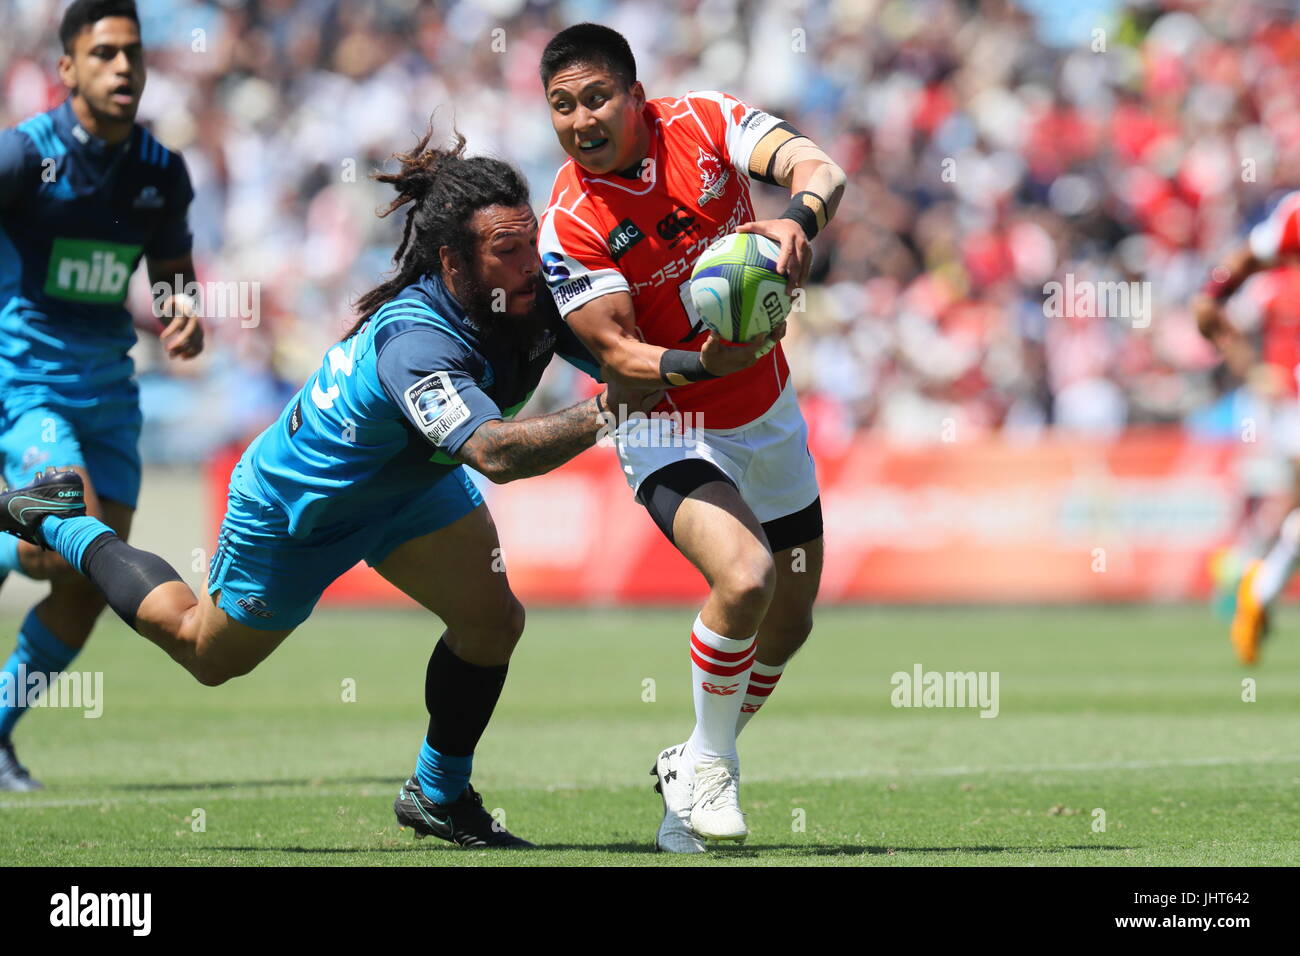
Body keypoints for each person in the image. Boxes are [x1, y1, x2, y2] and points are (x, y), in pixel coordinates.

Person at [0, 129, 656, 848]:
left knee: (493, 622)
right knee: (203, 652)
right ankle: (62, 523)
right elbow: (494, 455)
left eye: (531, 242)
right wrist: (609, 408)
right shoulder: (415, 341)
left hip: (409, 491)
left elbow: (619, 349)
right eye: (509, 251)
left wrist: (698, 347)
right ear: (452, 261)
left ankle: (438, 794)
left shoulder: (531, 292)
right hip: (297, 510)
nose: (534, 264)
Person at [536, 23, 846, 851]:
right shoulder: (568, 222)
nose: (579, 119)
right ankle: (710, 765)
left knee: (792, 620)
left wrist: (797, 222)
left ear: (636, 96)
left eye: (595, 97)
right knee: (745, 582)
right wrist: (705, 361)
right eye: (561, 106)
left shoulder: (705, 121)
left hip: (769, 409)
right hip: (669, 421)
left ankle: (694, 767)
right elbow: (618, 356)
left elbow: (822, 168)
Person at [0, 0, 203, 790]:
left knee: (87, 581)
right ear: (68, 69)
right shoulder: (23, 159)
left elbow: (174, 282)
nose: (124, 68)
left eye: (134, 54)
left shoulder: (161, 172)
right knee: (71, 529)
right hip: (29, 383)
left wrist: (183, 317)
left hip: (112, 394)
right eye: (105, 54)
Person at [1195, 190, 1300, 665]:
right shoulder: (1292, 223)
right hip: (1289, 398)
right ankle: (1250, 577)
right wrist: (1212, 294)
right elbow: (1235, 270)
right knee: (1283, 501)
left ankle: (1254, 582)